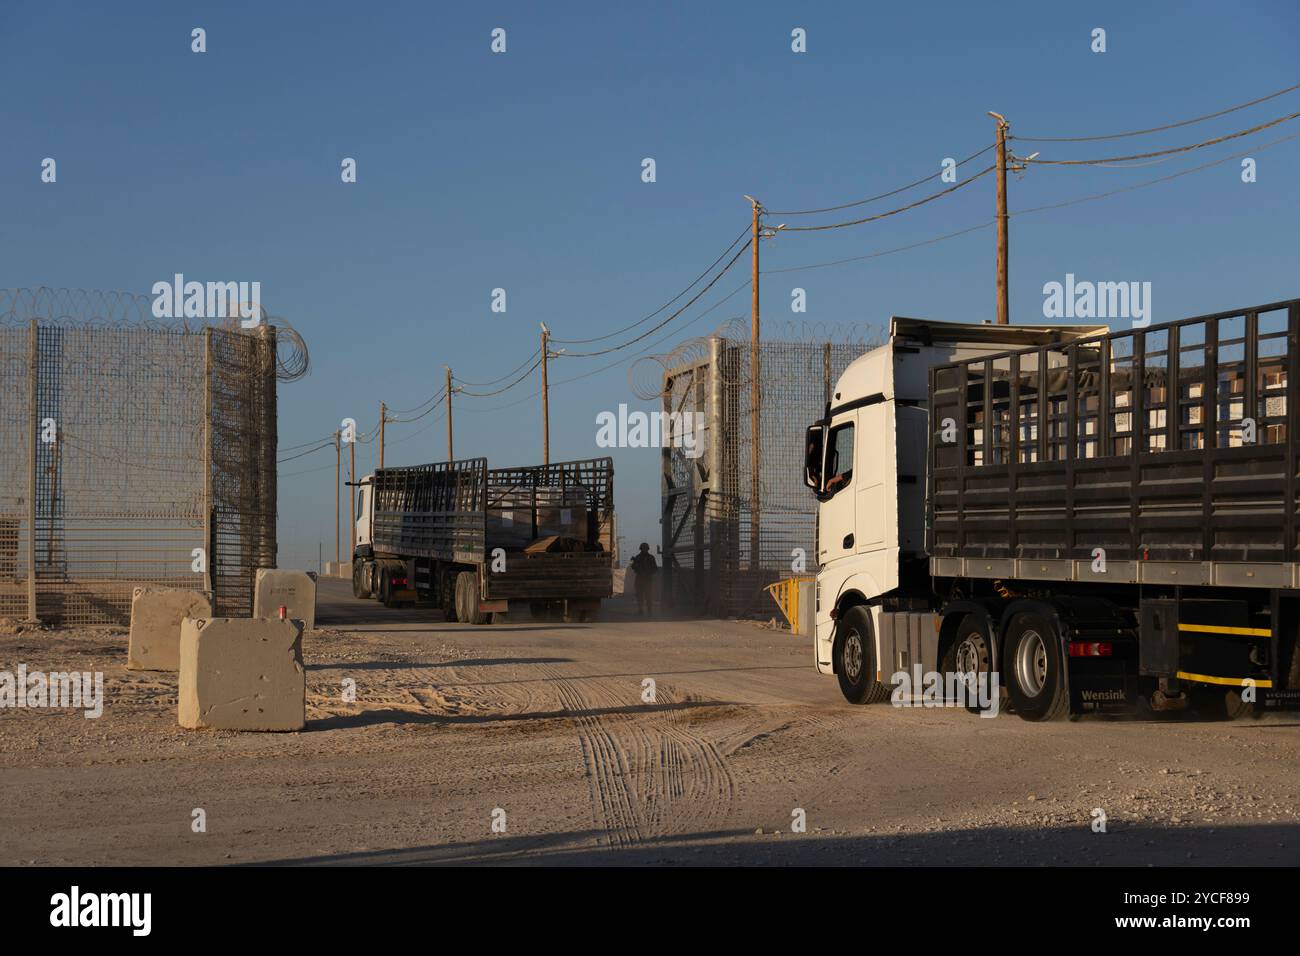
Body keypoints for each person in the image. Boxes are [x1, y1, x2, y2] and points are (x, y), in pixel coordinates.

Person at [629, 542, 658, 616]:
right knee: (640, 596)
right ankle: (641, 610)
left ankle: (649, 610)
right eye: (643, 548)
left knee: (648, 596)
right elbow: (633, 567)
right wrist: (635, 564)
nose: (644, 550)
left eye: (645, 548)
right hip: (640, 579)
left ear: (647, 549)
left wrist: (648, 573)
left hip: (647, 579)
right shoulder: (638, 557)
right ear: (641, 549)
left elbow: (655, 568)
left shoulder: (650, 557)